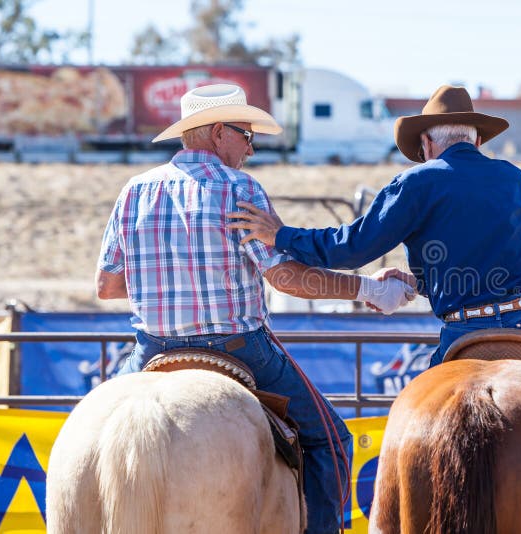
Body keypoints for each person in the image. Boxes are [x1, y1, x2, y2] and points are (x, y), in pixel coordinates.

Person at [229, 85, 521, 527]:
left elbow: (351, 247)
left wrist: (282, 235)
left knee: (415, 427)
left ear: (426, 142)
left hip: (463, 332)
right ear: (475, 138)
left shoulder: (415, 183)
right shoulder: (513, 178)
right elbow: (497, 261)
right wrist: (424, 281)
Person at [95, 83, 413, 534]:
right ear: (219, 133)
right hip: (240, 348)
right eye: (247, 136)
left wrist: (170, 279)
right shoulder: (239, 188)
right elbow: (286, 279)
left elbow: (107, 286)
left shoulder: (134, 191)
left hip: (153, 350)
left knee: (95, 433)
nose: (251, 148)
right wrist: (369, 290)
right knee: (331, 439)